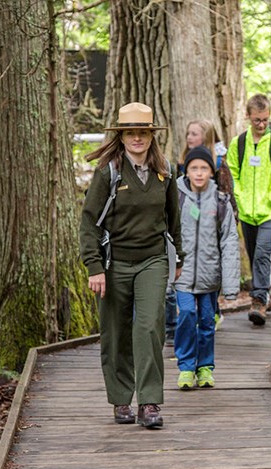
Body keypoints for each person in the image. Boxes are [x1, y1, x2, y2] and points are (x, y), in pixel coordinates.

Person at [79, 102, 180, 429]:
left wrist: (180, 257)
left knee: (149, 326)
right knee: (115, 331)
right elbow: (89, 221)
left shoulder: (165, 171)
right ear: (121, 136)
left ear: (152, 136)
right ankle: (121, 398)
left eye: (143, 132)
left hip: (153, 260)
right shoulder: (108, 172)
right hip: (113, 262)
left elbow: (173, 218)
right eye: (131, 132)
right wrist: (94, 266)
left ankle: (149, 402)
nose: (137, 138)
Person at [173, 146, 240, 390]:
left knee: (206, 321)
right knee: (188, 315)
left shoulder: (221, 201)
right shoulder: (176, 198)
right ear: (186, 171)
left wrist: (231, 285)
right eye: (194, 168)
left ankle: (205, 367)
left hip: (210, 275)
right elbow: (166, 234)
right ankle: (186, 367)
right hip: (182, 274)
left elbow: (229, 242)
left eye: (204, 168)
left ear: (211, 171)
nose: (199, 173)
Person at [229, 94, 271, 326]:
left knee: (263, 254)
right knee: (254, 253)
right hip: (247, 211)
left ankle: (258, 300)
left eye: (265, 120)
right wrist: (240, 198)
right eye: (257, 120)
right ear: (248, 116)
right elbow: (232, 172)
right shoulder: (240, 143)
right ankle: (267, 293)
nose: (262, 124)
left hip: (269, 212)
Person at [167, 119, 233, 340]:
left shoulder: (219, 165)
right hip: (185, 250)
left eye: (194, 134)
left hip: (210, 235)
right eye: (188, 133)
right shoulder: (181, 165)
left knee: (206, 306)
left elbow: (226, 199)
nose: (189, 138)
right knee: (186, 305)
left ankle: (211, 320)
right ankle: (180, 344)